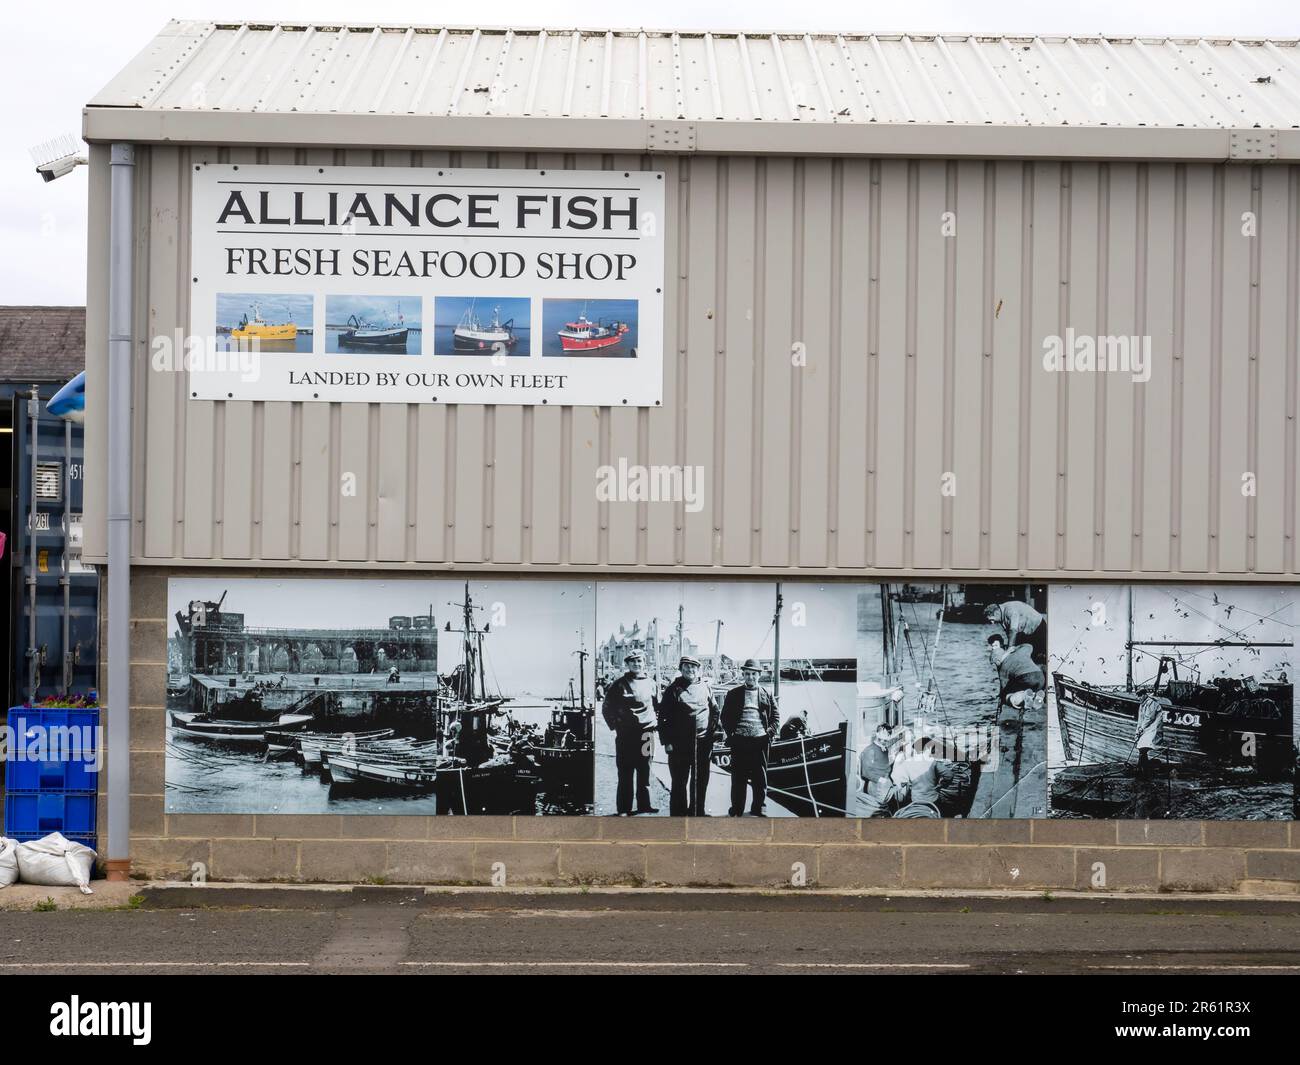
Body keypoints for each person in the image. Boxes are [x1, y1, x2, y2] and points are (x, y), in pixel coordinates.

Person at [657, 655, 719, 816]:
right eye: (686, 666)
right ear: (681, 669)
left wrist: (711, 733)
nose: (690, 669)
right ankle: (678, 817)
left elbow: (715, 711)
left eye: (693, 667)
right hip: (679, 745)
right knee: (679, 783)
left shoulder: (705, 688)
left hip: (702, 744)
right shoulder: (673, 689)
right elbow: (662, 717)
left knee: (700, 782)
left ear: (698, 670)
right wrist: (667, 742)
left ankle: (697, 813)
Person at [601, 649, 659, 815]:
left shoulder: (652, 683)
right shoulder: (619, 684)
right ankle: (624, 808)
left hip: (647, 734)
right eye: (633, 661)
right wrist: (616, 726)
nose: (636, 664)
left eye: (639, 661)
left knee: (645, 770)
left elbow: (657, 706)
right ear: (627, 664)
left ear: (644, 663)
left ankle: (644, 805)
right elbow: (607, 708)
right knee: (626, 772)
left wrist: (655, 724)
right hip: (626, 735)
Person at [720, 659, 778, 816]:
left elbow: (776, 717)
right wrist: (731, 734)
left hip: (760, 742)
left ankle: (759, 808)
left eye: (753, 674)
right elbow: (724, 716)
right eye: (747, 674)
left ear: (758, 675)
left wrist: (769, 733)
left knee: (760, 778)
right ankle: (737, 809)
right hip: (739, 741)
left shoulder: (767, 693)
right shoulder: (733, 694)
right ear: (743, 675)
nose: (750, 677)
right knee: (738, 778)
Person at [987, 633, 1045, 710]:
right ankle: (1036, 695)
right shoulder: (1019, 651)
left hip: (1025, 678)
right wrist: (1014, 648)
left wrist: (1002, 696)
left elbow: (1003, 684)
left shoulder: (1003, 666)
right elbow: (1029, 646)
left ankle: (1024, 696)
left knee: (1007, 695)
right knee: (1030, 688)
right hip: (1040, 676)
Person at [857, 722, 897, 816]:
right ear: (877, 734)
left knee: (889, 806)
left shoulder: (883, 748)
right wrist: (881, 780)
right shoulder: (869, 751)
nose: (884, 740)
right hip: (876, 785)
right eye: (882, 737)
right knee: (878, 809)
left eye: (887, 737)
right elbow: (866, 772)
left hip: (886, 781)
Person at [1134, 694, 1164, 779]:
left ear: (1144, 695)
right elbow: (1140, 720)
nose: (1138, 698)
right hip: (1147, 729)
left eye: (1139, 696)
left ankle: (1143, 771)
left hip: (1153, 728)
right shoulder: (1142, 704)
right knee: (1142, 748)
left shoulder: (1151, 703)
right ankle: (1143, 770)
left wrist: (1141, 729)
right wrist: (1137, 732)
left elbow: (1149, 718)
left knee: (1143, 748)